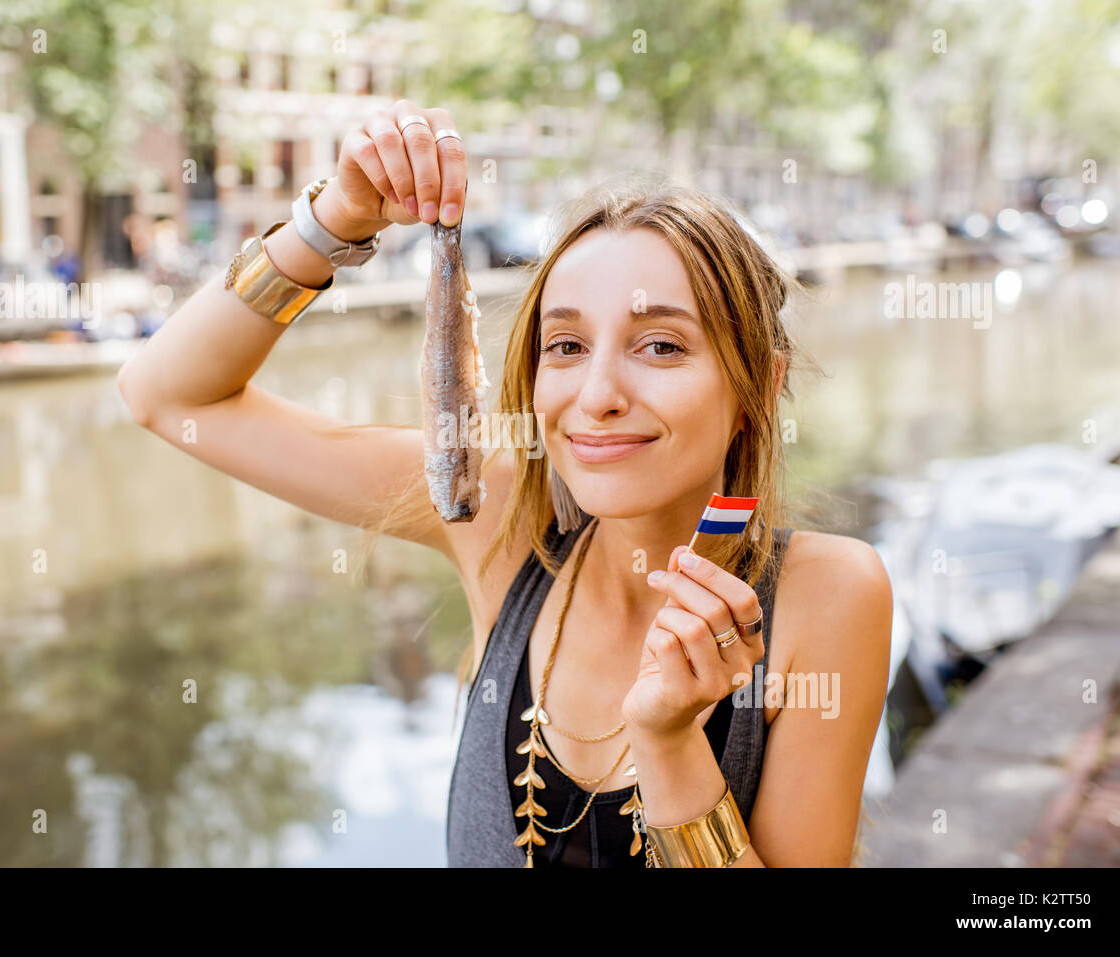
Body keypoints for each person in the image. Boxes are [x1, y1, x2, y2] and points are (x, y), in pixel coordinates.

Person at [116, 99, 893, 868]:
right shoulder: (495, 520)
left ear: (758, 383)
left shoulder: (823, 598)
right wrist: (336, 219)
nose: (597, 395)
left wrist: (670, 744)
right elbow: (169, 396)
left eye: (659, 345)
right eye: (565, 345)